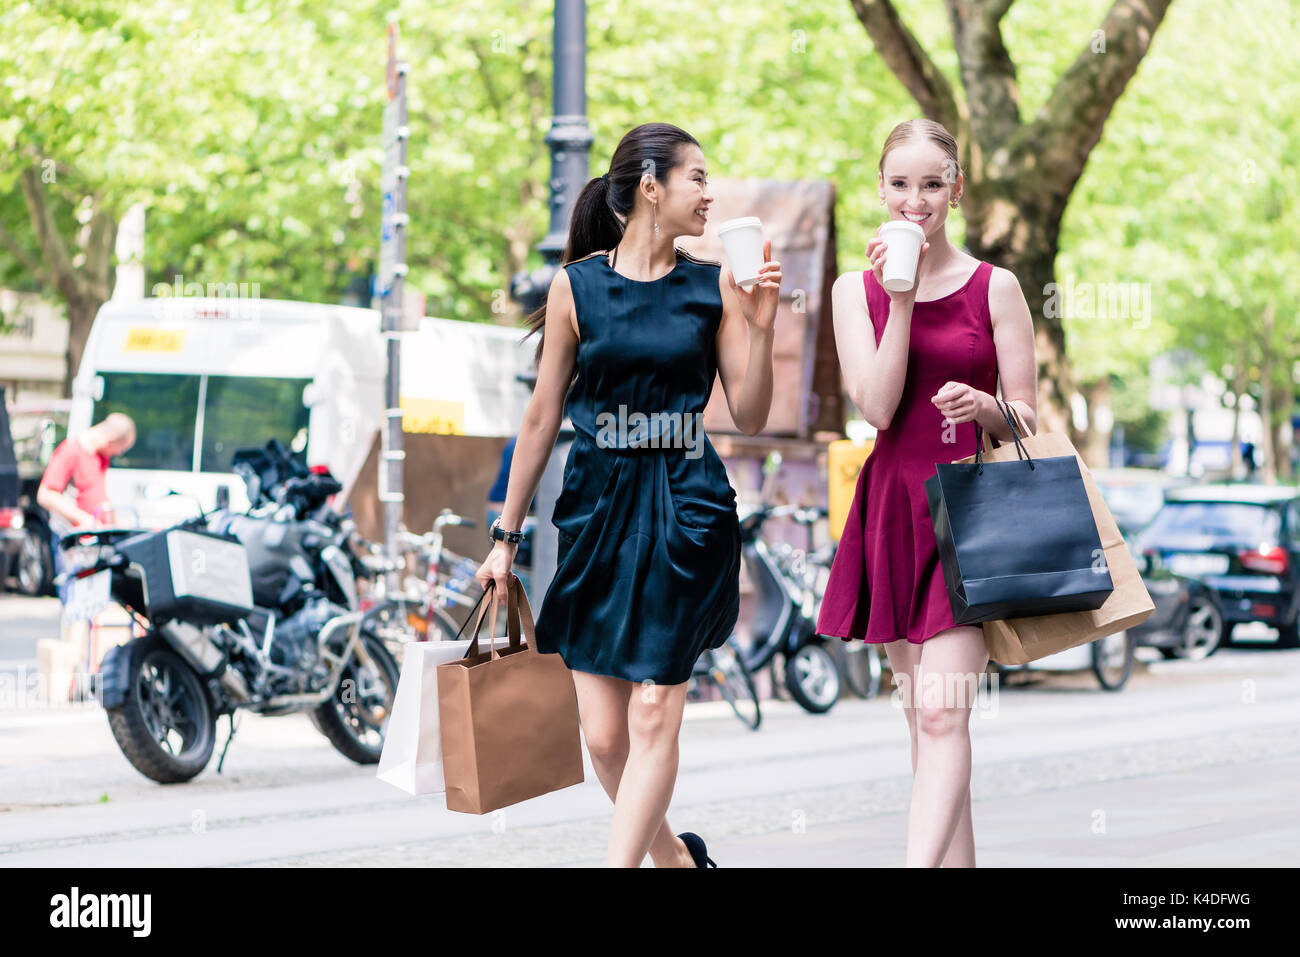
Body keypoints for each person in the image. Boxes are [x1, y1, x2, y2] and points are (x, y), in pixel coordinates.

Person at [475, 122, 780, 868]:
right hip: (598, 506)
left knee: (653, 709)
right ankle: (677, 860)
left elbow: (749, 411)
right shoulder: (576, 286)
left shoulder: (713, 285)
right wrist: (505, 537)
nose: (710, 193)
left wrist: (763, 327)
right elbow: (543, 415)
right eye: (697, 178)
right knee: (605, 736)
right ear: (651, 185)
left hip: (686, 506)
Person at [815, 119, 1037, 867]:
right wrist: (900, 297)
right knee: (927, 726)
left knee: (942, 716)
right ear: (881, 189)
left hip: (969, 510)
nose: (916, 200)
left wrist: (985, 408)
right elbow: (876, 408)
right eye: (901, 184)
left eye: (932, 184)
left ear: (955, 190)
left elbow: (1029, 415)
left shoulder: (995, 287)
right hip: (892, 509)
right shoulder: (853, 292)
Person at [37, 412, 136, 602]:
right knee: (74, 606)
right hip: (72, 542)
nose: (119, 454)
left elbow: (98, 492)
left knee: (90, 605)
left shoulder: (100, 456)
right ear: (111, 440)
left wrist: (114, 521)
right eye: (121, 448)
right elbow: (45, 494)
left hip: (91, 543)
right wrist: (83, 518)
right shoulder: (71, 451)